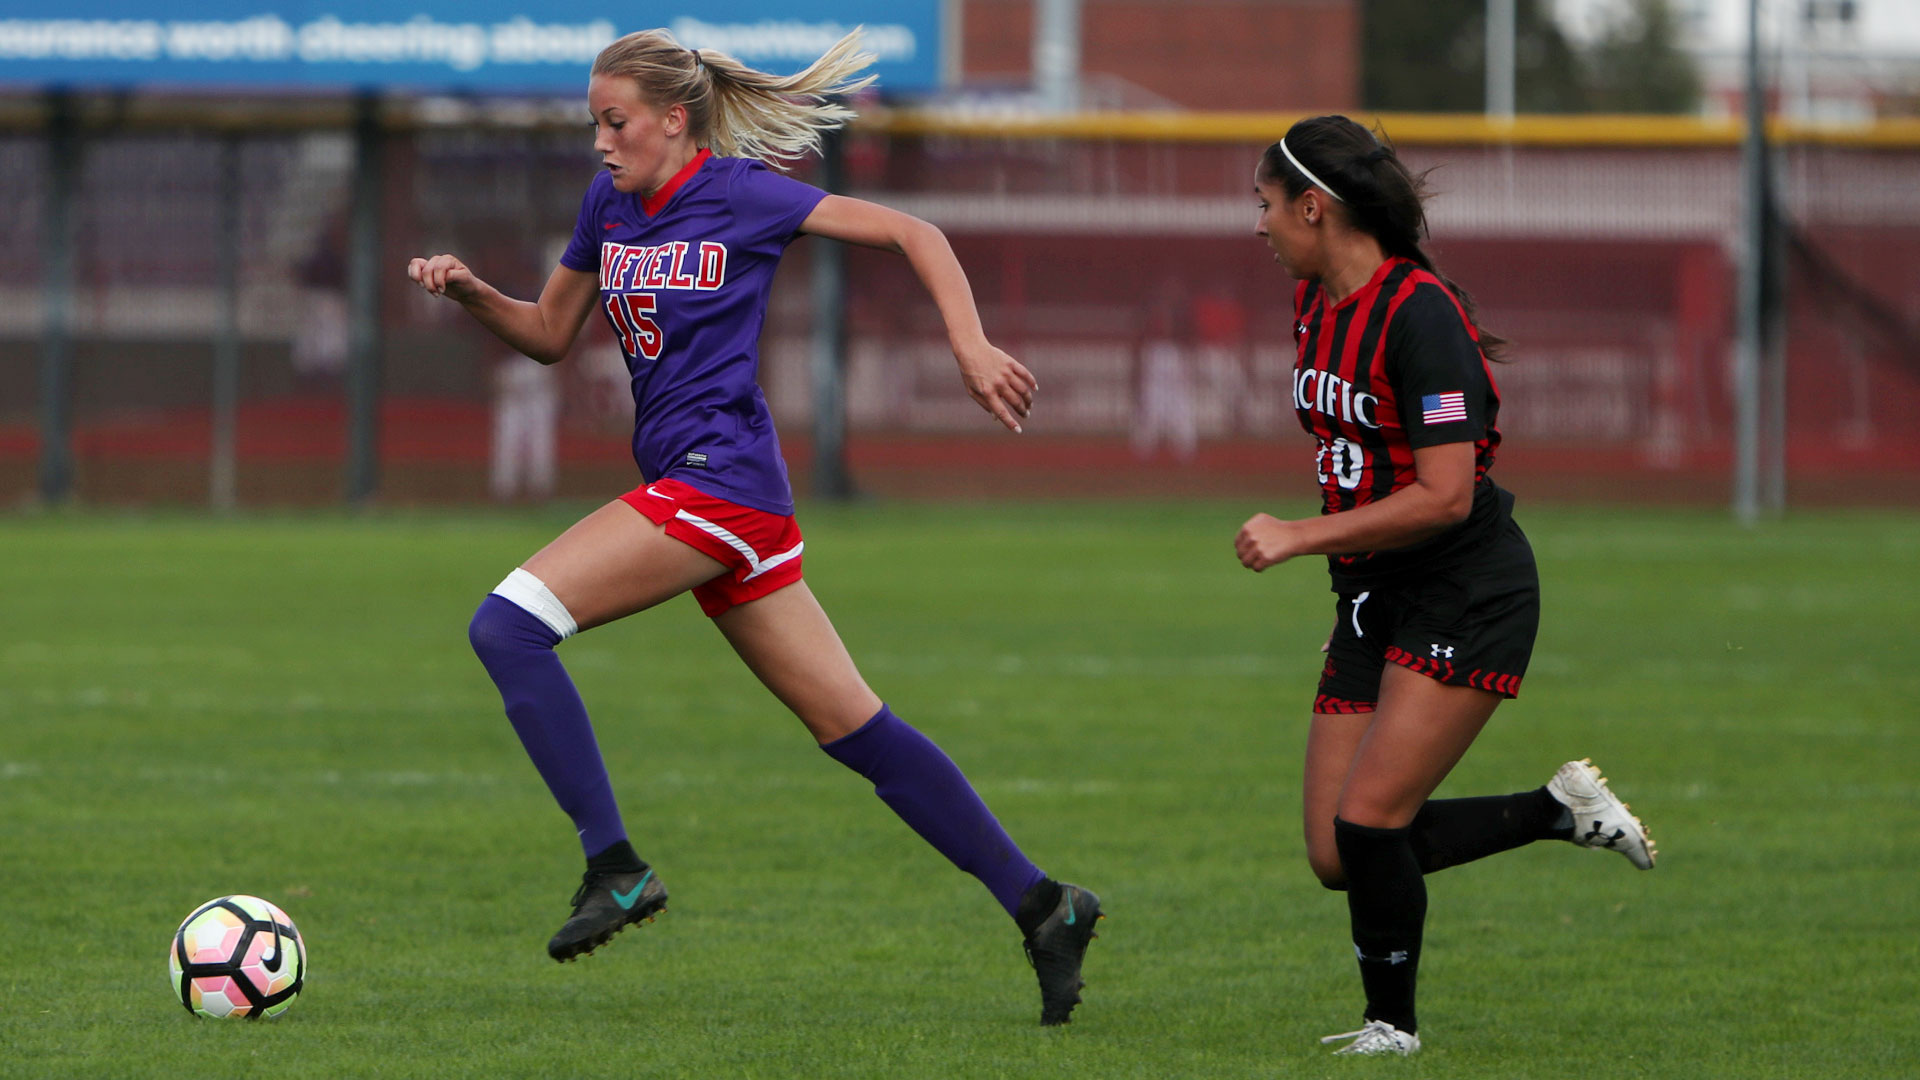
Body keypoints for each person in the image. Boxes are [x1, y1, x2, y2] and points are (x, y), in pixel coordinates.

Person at [406, 28, 1102, 1025]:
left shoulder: (739, 194)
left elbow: (918, 234)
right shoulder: (608, 203)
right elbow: (552, 336)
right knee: (854, 729)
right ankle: (1044, 904)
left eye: (616, 122)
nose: (601, 143)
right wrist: (473, 292)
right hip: (718, 498)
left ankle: (617, 867)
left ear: (674, 120)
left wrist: (971, 343)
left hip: (721, 484)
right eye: (593, 123)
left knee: (506, 627)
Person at [1235, 115, 1656, 1056]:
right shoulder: (1315, 301)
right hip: (1371, 595)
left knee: (1370, 821)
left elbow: (1445, 497)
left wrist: (1300, 536)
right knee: (1336, 853)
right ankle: (1557, 812)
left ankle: (1394, 1028)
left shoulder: (1419, 313)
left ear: (1314, 206)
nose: (1257, 223)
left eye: (1265, 203)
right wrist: (1341, 576)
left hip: (1467, 589)